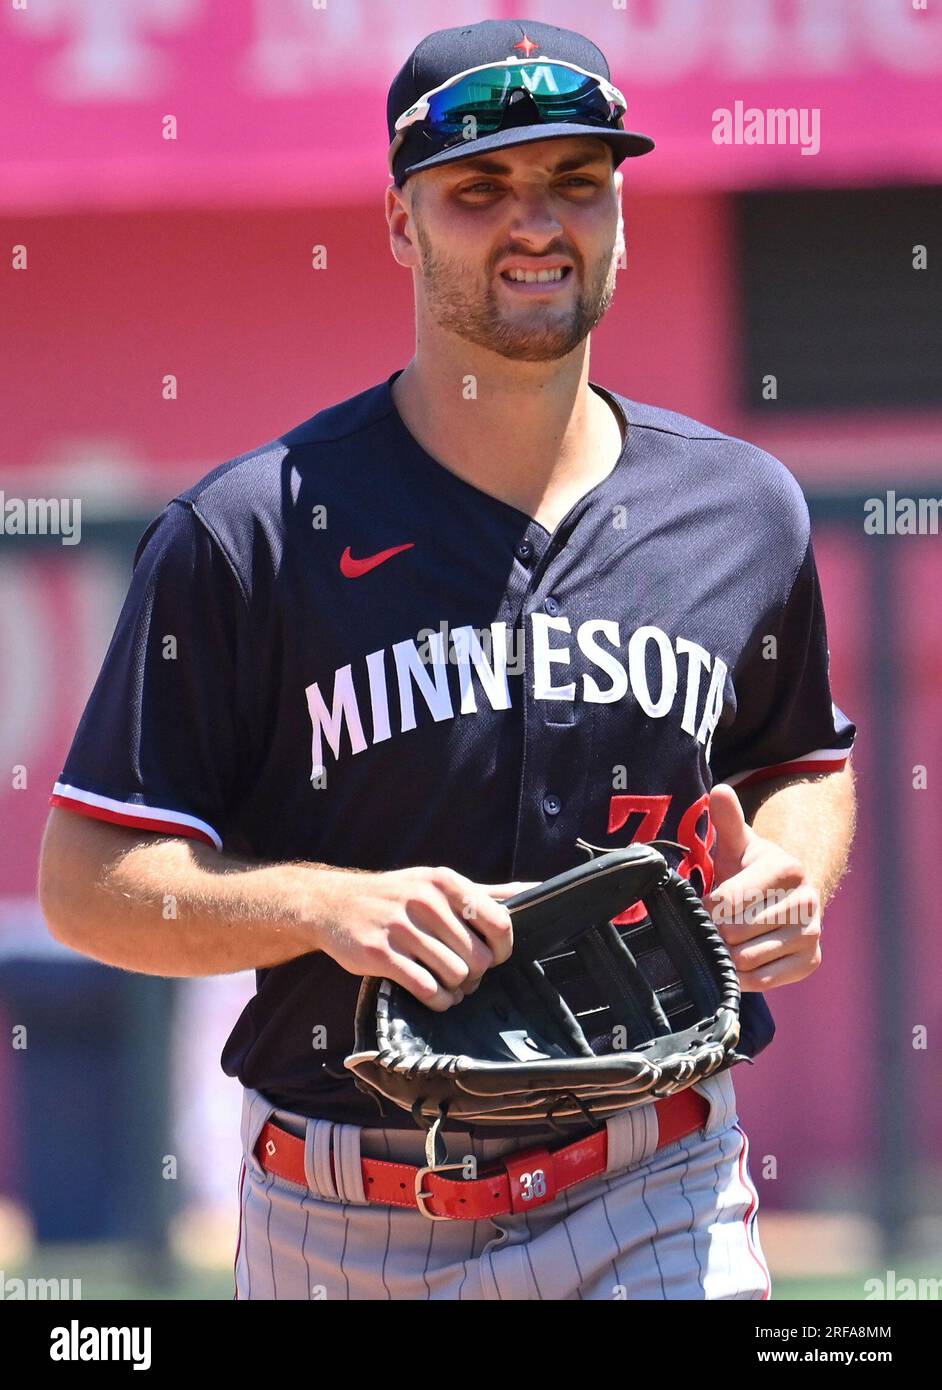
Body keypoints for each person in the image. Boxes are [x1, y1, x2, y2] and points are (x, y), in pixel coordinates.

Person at [38, 18, 857, 1300]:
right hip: (342, 1214)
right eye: (479, 189)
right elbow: (90, 881)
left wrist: (793, 871)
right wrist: (327, 905)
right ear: (399, 222)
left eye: (576, 182)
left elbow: (803, 758)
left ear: (621, 211)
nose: (537, 222)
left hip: (656, 1185)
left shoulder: (743, 508)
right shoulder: (253, 530)